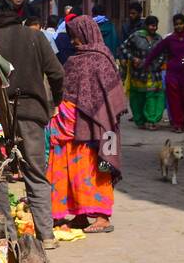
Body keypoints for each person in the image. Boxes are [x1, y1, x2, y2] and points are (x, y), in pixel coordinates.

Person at [0, 0, 64, 251]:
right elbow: (57, 73)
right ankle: (46, 235)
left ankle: (9, 235)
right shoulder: (35, 36)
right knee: (36, 174)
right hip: (31, 114)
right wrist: (56, 101)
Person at [48, 15, 127, 235]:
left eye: (76, 36)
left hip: (98, 125)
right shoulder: (85, 58)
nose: (73, 41)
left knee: (98, 166)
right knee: (76, 170)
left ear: (87, 33)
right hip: (76, 124)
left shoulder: (99, 58)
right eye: (71, 36)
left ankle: (101, 217)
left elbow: (108, 94)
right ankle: (81, 214)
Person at [118, 14, 165, 128]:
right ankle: (140, 120)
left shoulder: (159, 39)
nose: (153, 28)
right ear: (146, 26)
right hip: (138, 73)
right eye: (151, 25)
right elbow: (123, 47)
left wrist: (158, 63)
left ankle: (151, 120)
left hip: (154, 73)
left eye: (155, 26)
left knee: (153, 97)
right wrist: (132, 58)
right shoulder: (136, 36)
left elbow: (163, 53)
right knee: (138, 98)